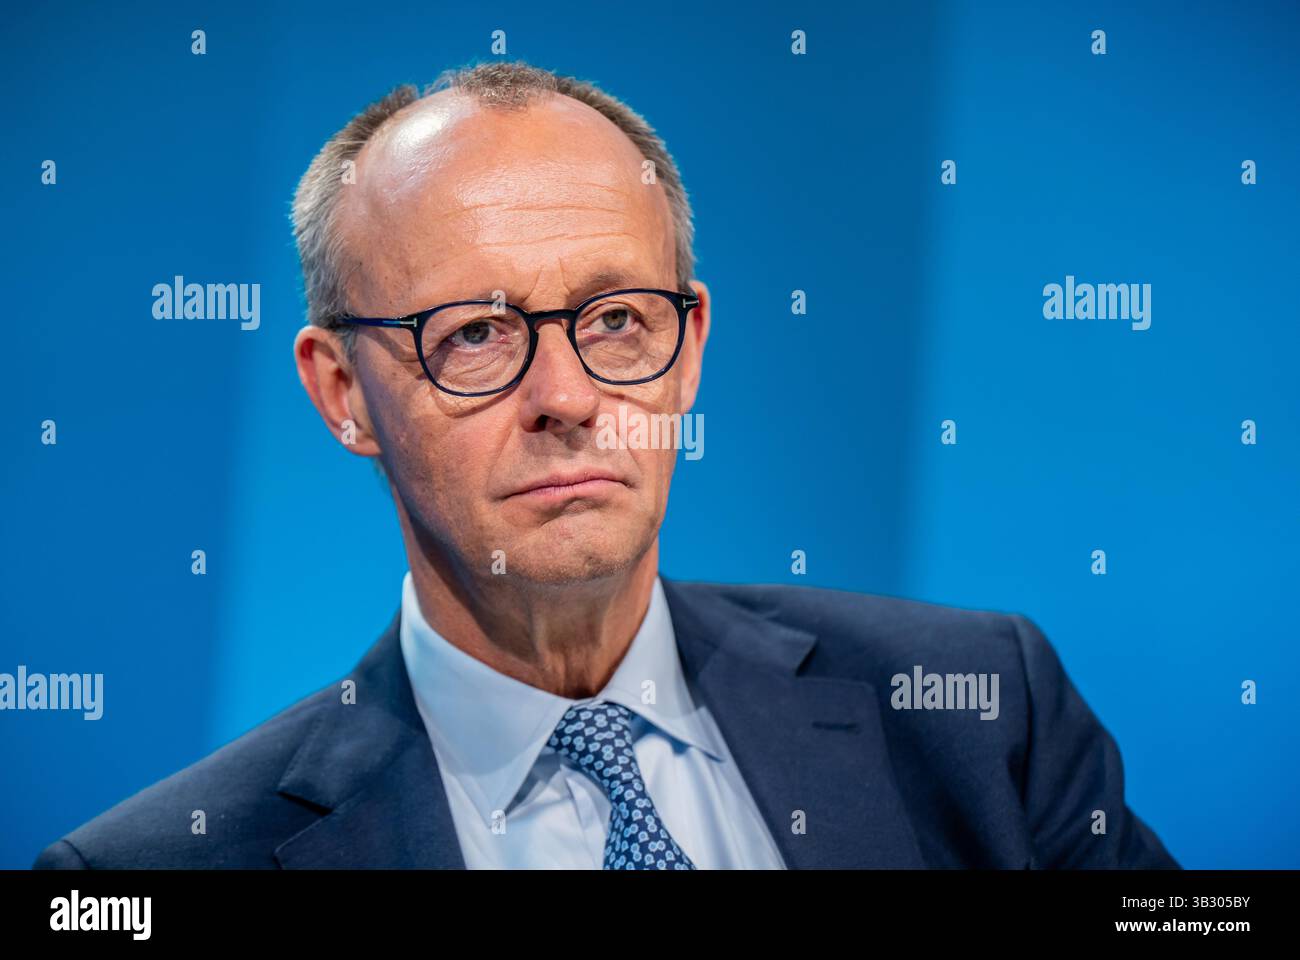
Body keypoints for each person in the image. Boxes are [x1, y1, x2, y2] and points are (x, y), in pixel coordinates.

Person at [33, 61, 1177, 870]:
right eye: (474, 334)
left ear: (689, 354)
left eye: (619, 319)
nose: (570, 400)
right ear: (344, 395)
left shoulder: (981, 715)